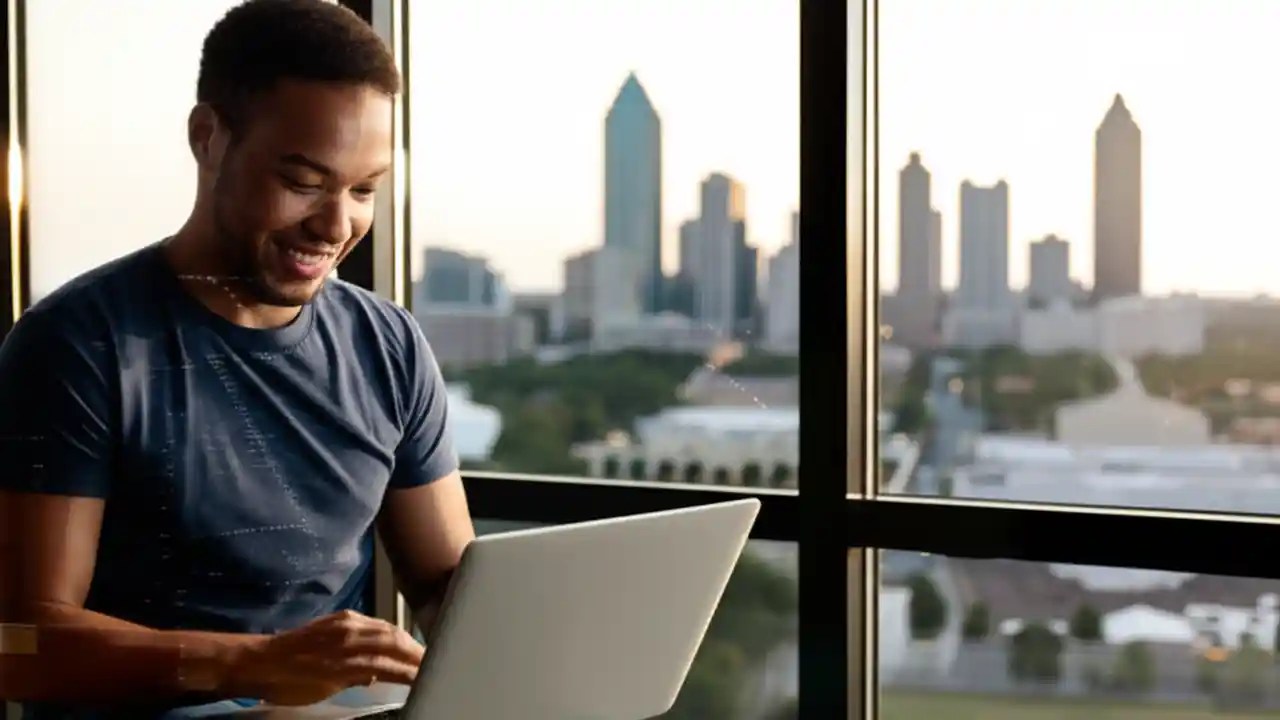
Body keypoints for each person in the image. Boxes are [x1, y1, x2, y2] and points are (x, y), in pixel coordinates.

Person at [0, 1, 475, 717]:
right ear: (208, 138)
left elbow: (452, 593)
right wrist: (251, 665)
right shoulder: (79, 345)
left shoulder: (390, 346)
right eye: (304, 182)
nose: (337, 224)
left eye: (364, 189)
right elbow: (21, 645)